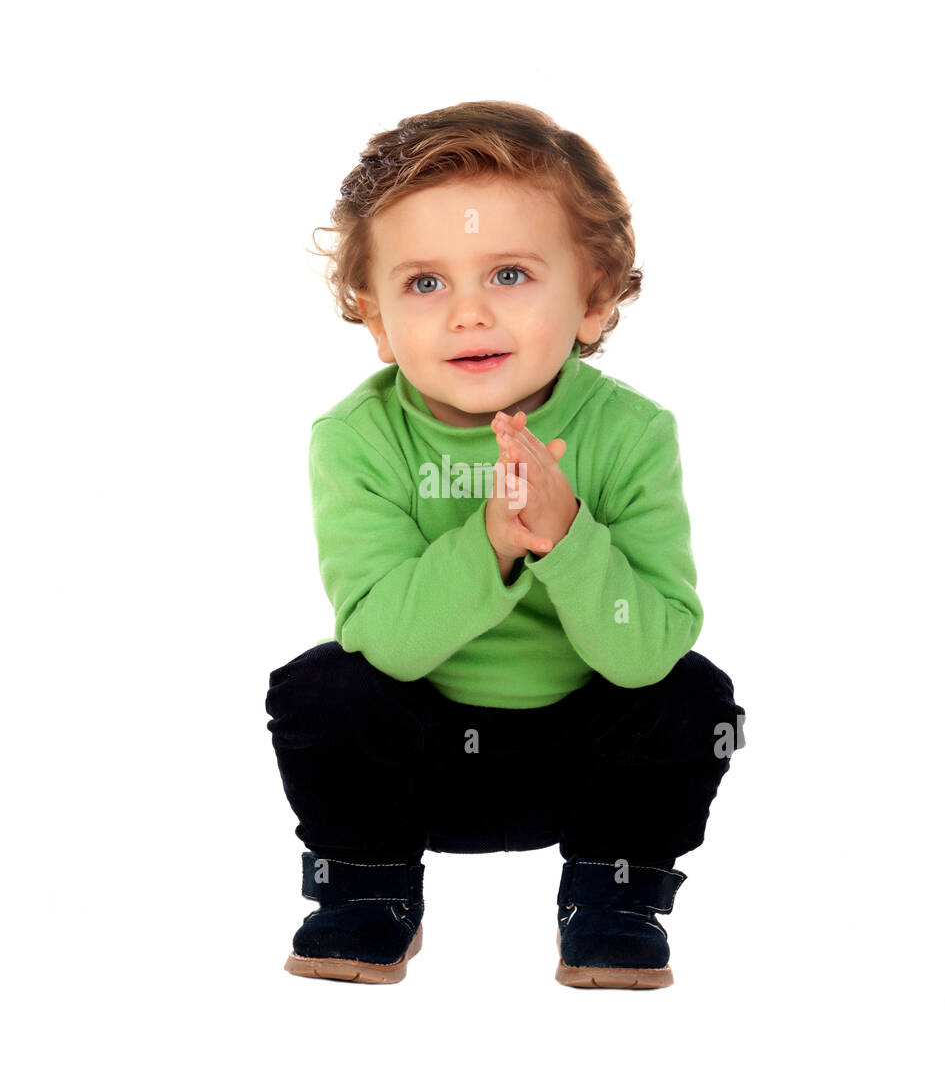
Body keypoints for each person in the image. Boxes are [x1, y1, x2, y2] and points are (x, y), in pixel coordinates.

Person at [265, 100, 746, 989]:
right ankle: (367, 891)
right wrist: (488, 542)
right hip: (422, 769)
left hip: (584, 765)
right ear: (375, 321)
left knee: (694, 695)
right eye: (423, 283)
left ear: (594, 301)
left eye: (512, 274)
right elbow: (387, 643)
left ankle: (615, 894)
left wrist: (566, 538)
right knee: (319, 686)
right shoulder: (357, 439)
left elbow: (644, 652)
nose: (468, 313)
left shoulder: (630, 432)